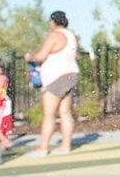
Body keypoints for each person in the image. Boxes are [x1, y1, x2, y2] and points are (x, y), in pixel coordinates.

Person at [25, 9, 80, 156]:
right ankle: (66, 146)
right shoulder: (71, 36)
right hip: (71, 74)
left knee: (49, 114)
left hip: (56, 78)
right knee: (65, 112)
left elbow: (41, 56)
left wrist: (30, 57)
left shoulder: (54, 35)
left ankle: (43, 148)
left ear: (53, 22)